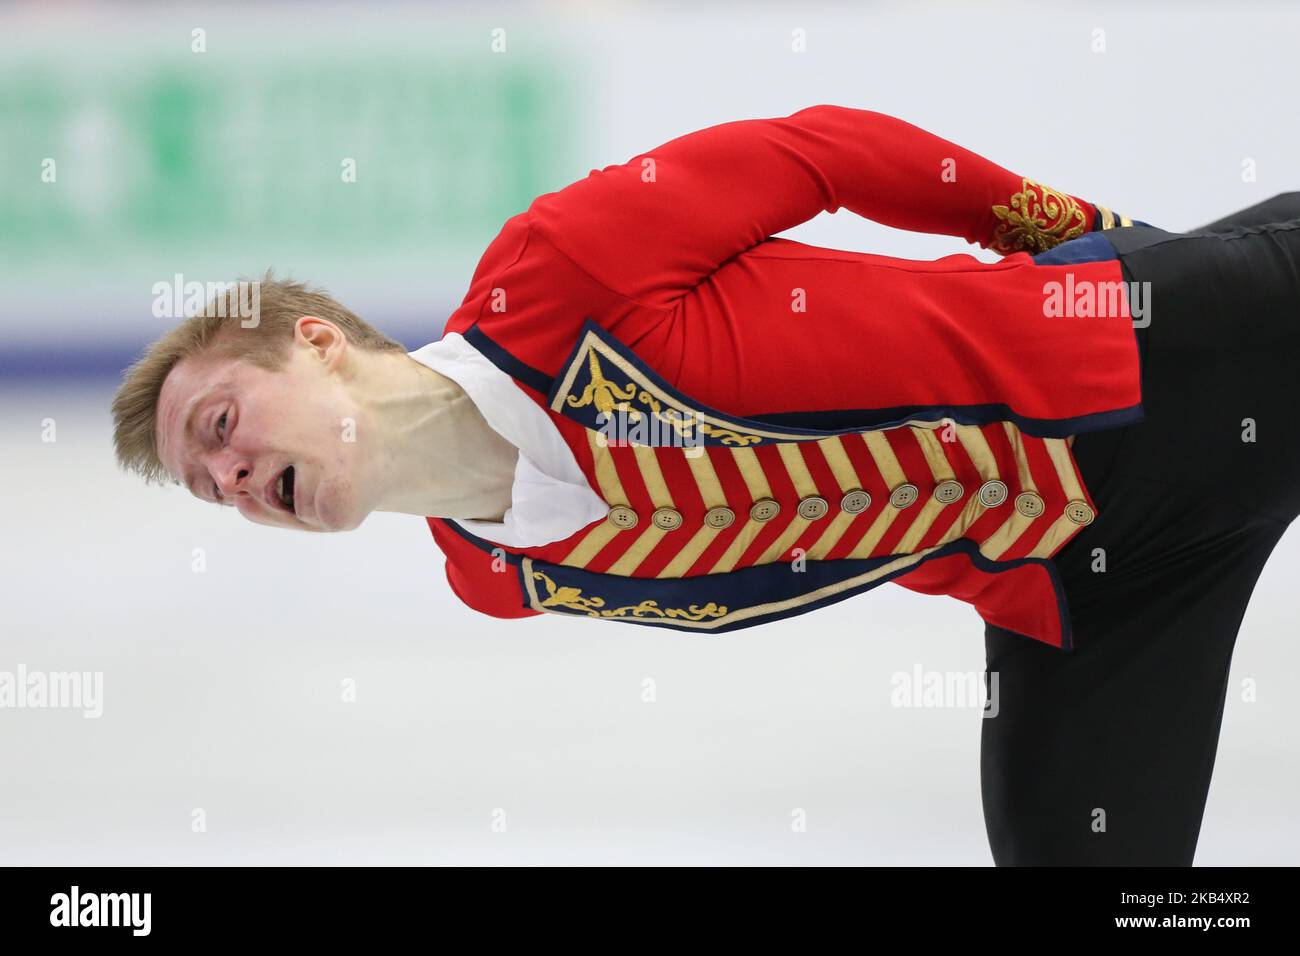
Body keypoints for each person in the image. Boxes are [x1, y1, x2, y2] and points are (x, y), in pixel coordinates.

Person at [110, 106, 1300, 864]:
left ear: (317, 342)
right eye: (211, 486)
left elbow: (835, 150)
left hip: (1158, 359)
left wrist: (1112, 245)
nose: (230, 476)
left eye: (219, 423)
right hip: (1077, 585)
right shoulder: (496, 574)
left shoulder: (555, 276)